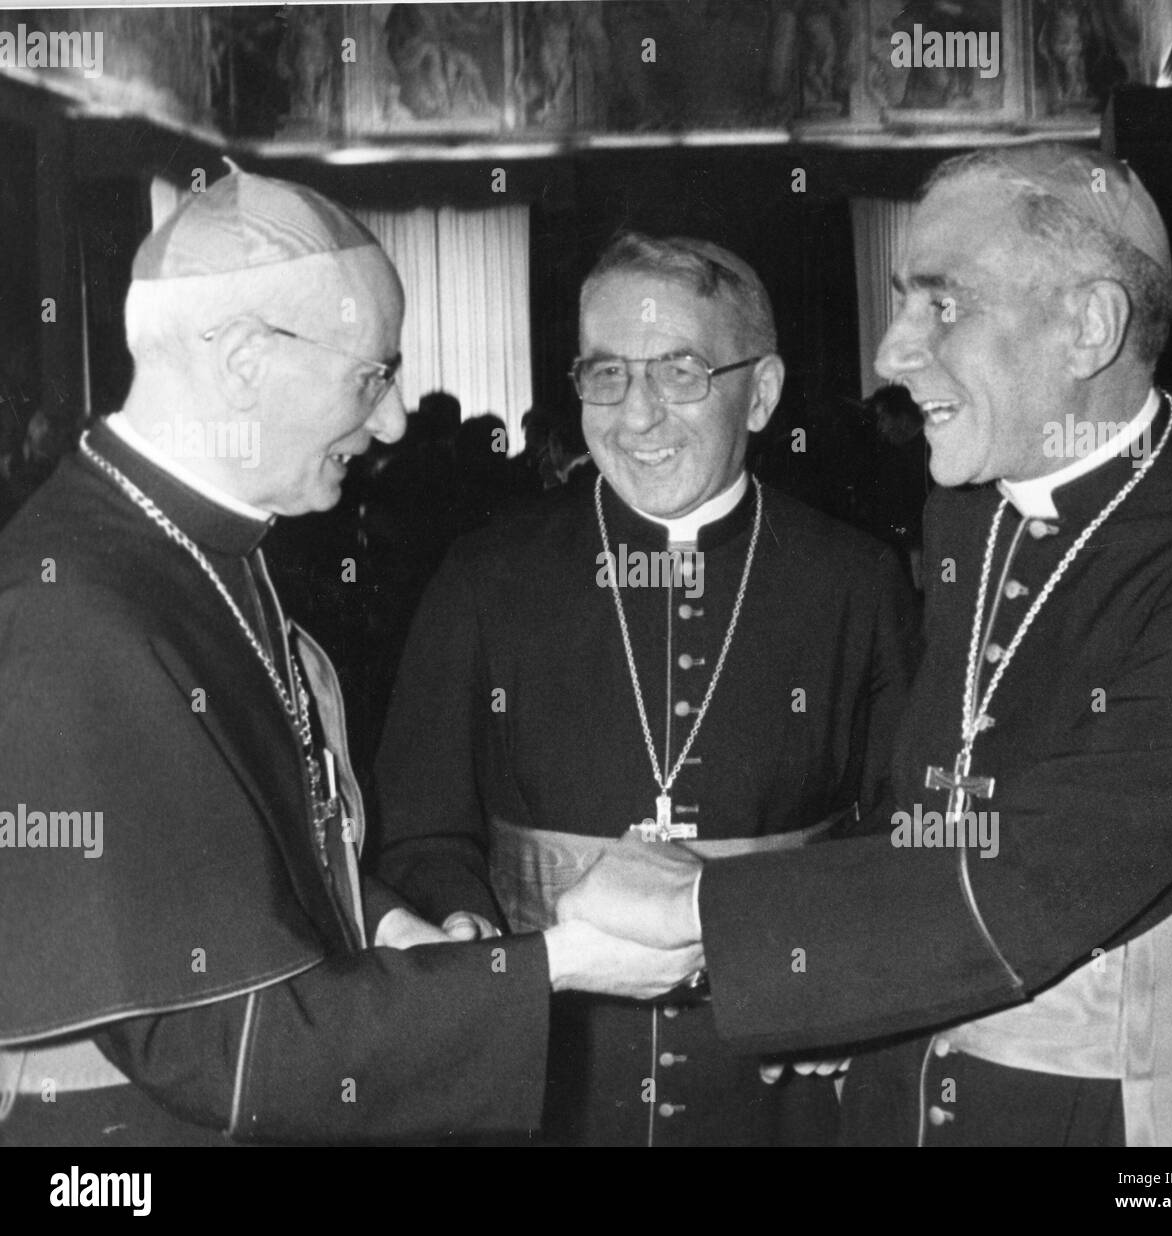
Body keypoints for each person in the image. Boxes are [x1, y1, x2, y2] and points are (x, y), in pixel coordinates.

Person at [558, 142, 1172, 1147]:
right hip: (909, 1089)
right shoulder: (966, 516)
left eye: (939, 305)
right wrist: (831, 989)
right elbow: (936, 814)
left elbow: (1046, 870)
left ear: (1088, 324)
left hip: (1135, 1120)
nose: (891, 354)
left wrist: (712, 912)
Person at [0, 169, 701, 1146]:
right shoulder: (75, 615)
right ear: (244, 357)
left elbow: (229, 846)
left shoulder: (196, 550)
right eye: (371, 375)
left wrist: (382, 924)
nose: (394, 422)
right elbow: (217, 1044)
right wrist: (556, 962)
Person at [376, 232, 917, 1146]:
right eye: (607, 375)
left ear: (763, 394)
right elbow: (420, 825)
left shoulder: (854, 580)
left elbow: (905, 817)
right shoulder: (485, 575)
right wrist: (462, 918)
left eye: (680, 372)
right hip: (545, 1071)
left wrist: (836, 967)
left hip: (773, 1075)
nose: (638, 417)